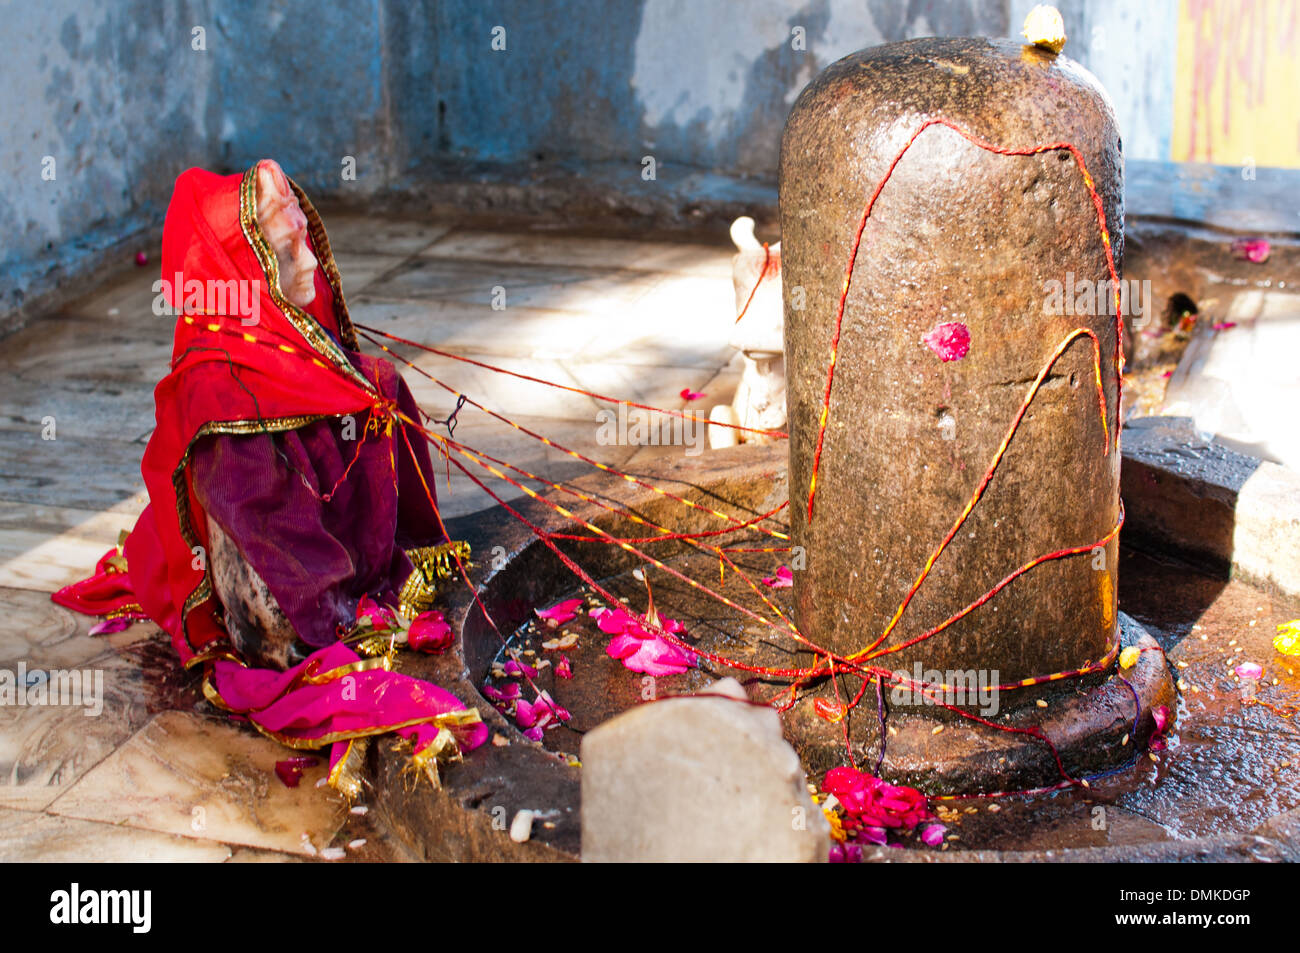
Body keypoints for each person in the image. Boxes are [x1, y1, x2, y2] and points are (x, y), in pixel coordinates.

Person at [53, 160, 484, 791]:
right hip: (281, 617)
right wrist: (335, 625)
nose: (309, 265)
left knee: (379, 383)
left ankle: (369, 565)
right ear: (244, 275)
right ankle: (336, 600)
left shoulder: (282, 335)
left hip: (325, 544)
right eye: (286, 252)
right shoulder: (224, 410)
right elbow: (267, 584)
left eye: (306, 241)